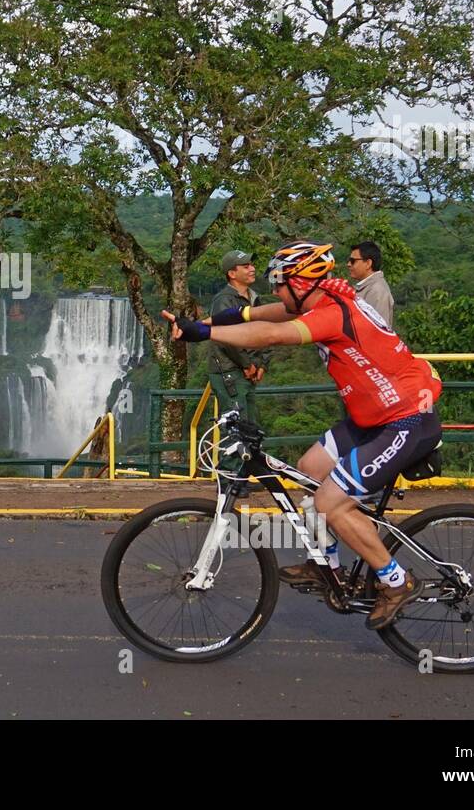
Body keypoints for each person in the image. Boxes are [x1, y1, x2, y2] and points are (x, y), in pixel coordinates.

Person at [161, 241, 443, 630]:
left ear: (300, 283)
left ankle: (396, 581)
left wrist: (206, 334)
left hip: (405, 419)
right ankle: (326, 564)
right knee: (310, 468)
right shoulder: (322, 296)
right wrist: (213, 321)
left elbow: (270, 334)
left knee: (330, 503)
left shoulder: (331, 313)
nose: (274, 289)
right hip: (372, 415)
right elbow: (263, 313)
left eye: (279, 282)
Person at [207, 250, 270, 424]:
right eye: (246, 266)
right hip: (230, 372)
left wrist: (262, 364)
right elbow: (227, 337)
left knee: (251, 428)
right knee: (236, 429)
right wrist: (247, 364)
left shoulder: (254, 298)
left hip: (249, 373)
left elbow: (265, 331)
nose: (252, 268)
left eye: (251, 265)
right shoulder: (223, 300)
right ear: (232, 273)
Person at [348, 241, 394, 327]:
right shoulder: (366, 287)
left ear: (368, 263)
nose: (348, 264)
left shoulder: (378, 291)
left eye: (353, 261)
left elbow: (378, 330)